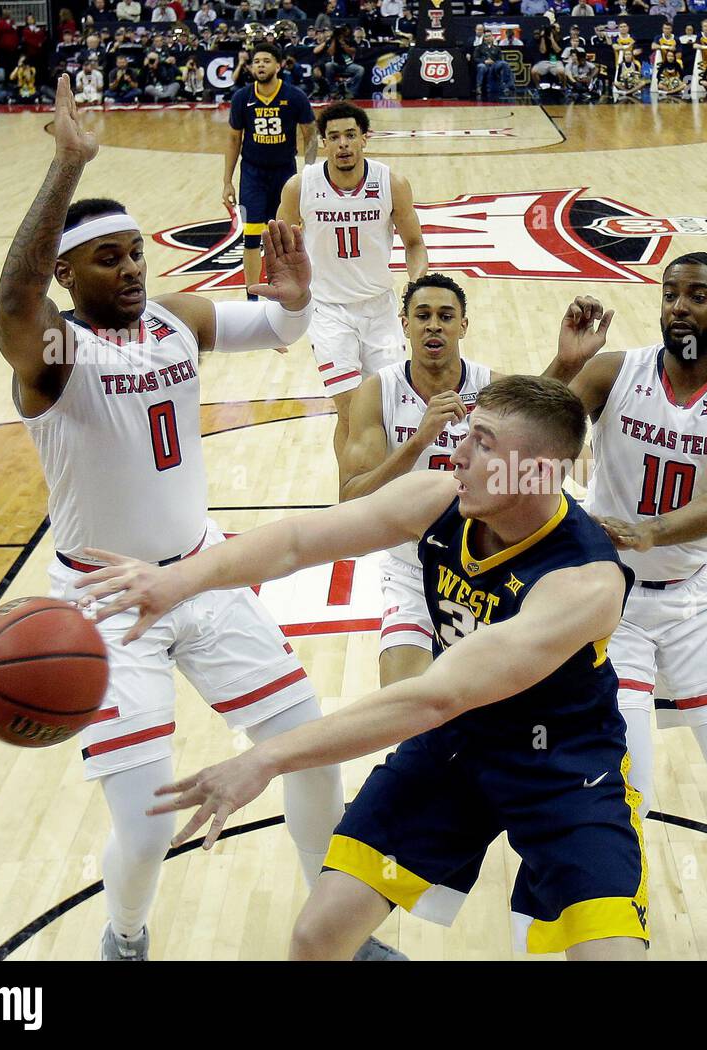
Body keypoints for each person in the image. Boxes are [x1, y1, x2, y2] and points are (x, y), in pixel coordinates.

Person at [0, 76, 383, 962]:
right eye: (108, 258)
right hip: (104, 607)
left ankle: (336, 938)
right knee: (147, 826)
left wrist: (294, 296)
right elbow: (13, 307)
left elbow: (283, 332)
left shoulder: (174, 319)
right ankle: (124, 936)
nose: (132, 268)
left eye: (137, 253)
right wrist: (66, 166)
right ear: (67, 273)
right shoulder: (56, 355)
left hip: (202, 576)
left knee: (312, 755)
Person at [78, 376, 651, 962]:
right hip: (457, 751)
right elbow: (300, 540)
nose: (457, 451)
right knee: (316, 937)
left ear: (537, 473)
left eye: (483, 442)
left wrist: (267, 756)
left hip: (562, 767)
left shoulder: (585, 582)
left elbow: (434, 697)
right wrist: (175, 580)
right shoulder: (437, 498)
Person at [550, 255, 707, 961]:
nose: (680, 306)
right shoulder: (613, 371)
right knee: (634, 793)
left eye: (698, 295)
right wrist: (564, 364)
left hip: (696, 605)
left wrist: (651, 529)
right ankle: (623, 930)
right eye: (670, 294)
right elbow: (521, 428)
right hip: (612, 606)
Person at [338, 273, 498, 686]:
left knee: (483, 710)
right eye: (422, 315)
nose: (434, 325)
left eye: (446, 316)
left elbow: (536, 444)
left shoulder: (491, 388)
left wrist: (568, 364)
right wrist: (418, 441)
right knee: (401, 701)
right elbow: (351, 498)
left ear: (463, 325)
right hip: (410, 567)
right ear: (404, 324)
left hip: (478, 568)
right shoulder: (378, 391)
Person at [275, 102, 428, 477]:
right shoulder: (300, 186)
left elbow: (414, 243)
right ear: (322, 143)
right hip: (327, 311)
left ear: (364, 139)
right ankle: (352, 495)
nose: (342, 144)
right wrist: (279, 314)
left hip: (380, 308)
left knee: (390, 407)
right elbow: (278, 248)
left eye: (350, 135)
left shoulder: (391, 183)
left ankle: (389, 490)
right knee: (351, 409)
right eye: (334, 137)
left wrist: (418, 288)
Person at [224, 43, 317, 302]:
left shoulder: (295, 96)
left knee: (286, 238)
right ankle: (252, 299)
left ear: (278, 65)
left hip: (285, 174)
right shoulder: (242, 98)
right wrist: (227, 182)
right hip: (252, 175)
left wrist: (308, 173)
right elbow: (233, 140)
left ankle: (291, 291)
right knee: (252, 237)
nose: (261, 65)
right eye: (257, 61)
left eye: (266, 60)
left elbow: (311, 135)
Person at [474, 28, 511, 98]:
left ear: (492, 37)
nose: (488, 38)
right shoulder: (478, 48)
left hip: (495, 64)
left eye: (489, 36)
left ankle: (506, 85)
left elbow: (500, 59)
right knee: (481, 66)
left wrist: (493, 61)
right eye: (486, 36)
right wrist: (484, 61)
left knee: (504, 64)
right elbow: (476, 58)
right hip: (484, 65)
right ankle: (479, 87)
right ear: (484, 38)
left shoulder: (497, 48)